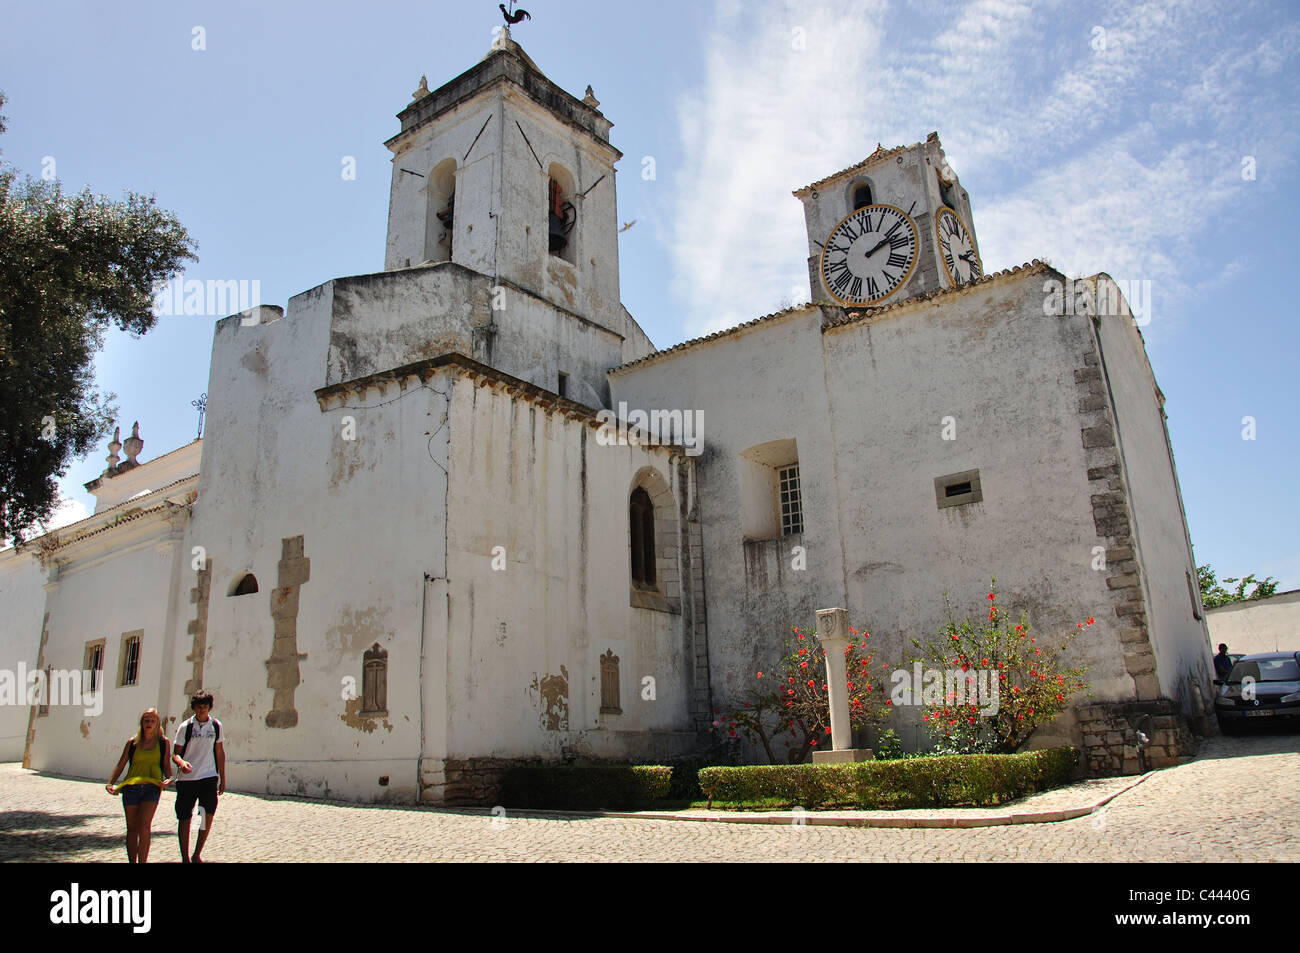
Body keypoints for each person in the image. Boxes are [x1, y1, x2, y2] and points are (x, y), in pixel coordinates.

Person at [106, 707, 172, 863]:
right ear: (141, 722)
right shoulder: (132, 742)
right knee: (132, 828)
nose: (149, 723)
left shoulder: (163, 742)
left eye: (152, 721)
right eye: (146, 720)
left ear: (157, 723)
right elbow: (121, 764)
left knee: (144, 826)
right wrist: (111, 782)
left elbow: (165, 764)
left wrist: (169, 778)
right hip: (131, 788)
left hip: (152, 788)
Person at [171, 690, 225, 863]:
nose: (202, 710)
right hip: (187, 780)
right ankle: (185, 857)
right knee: (185, 817)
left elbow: (219, 751)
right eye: (199, 707)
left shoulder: (216, 726)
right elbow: (175, 754)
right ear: (194, 707)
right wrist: (181, 763)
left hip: (208, 777)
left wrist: (222, 777)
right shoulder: (185, 727)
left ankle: (196, 854)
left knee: (206, 815)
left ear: (209, 707)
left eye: (205, 706)